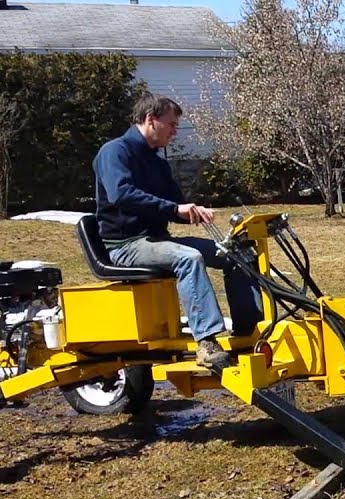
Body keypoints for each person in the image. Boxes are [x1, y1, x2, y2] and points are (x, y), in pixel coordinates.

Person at [93, 93, 262, 370]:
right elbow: (122, 195)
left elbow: (175, 205)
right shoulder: (115, 151)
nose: (174, 131)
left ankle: (248, 332)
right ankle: (206, 343)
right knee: (189, 257)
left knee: (236, 252)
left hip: (156, 241)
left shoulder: (157, 162)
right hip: (126, 245)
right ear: (151, 120)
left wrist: (193, 210)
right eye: (171, 124)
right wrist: (175, 210)